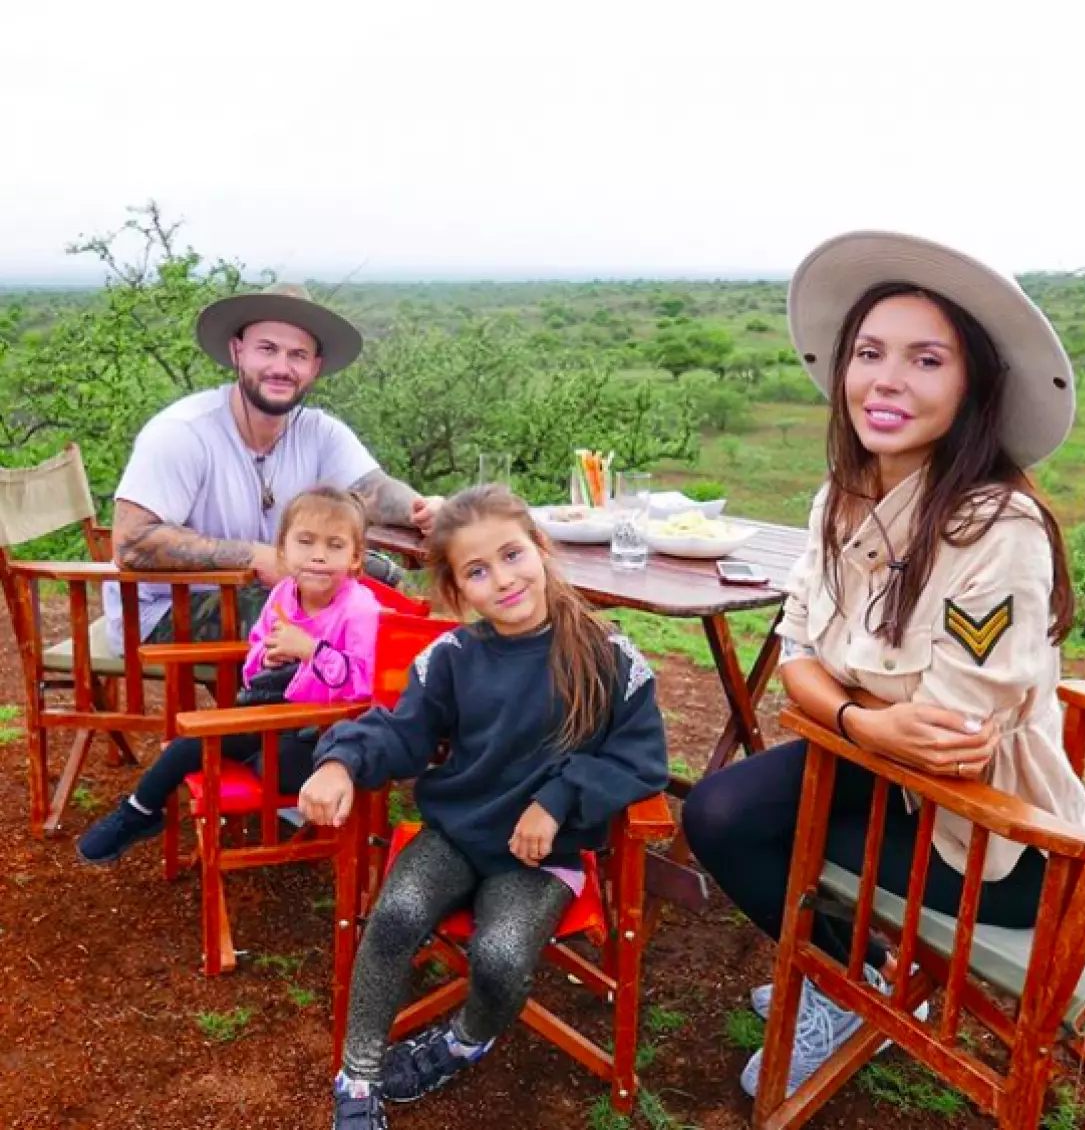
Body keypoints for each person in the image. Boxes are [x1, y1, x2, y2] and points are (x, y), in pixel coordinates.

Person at [681, 230, 1085, 1098]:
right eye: (869, 352)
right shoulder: (841, 496)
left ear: (972, 384)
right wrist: (862, 715)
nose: (886, 379)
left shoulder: (997, 530)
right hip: (874, 762)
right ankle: (849, 977)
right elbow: (796, 651)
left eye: (926, 359)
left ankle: (831, 977)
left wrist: (838, 699)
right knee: (717, 811)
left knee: (762, 828)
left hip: (987, 835)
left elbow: (951, 743)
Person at [298, 484, 669, 1130]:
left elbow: (642, 762)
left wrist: (558, 800)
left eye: (512, 555)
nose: (502, 579)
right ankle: (357, 1078)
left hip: (542, 856)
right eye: (477, 570)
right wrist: (340, 761)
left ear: (542, 548)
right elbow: (400, 731)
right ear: (457, 589)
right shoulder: (452, 658)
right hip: (456, 834)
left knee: (499, 958)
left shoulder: (609, 657)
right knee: (395, 917)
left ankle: (464, 1038)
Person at [101, 282, 441, 655]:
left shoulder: (318, 431)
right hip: (164, 608)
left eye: (297, 355)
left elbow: (373, 490)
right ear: (237, 352)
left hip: (270, 590)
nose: (281, 368)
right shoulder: (183, 432)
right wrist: (257, 556)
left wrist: (423, 510)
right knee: (310, 613)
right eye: (267, 349)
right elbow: (131, 543)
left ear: (315, 367)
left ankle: (392, 702)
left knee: (383, 583)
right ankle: (300, 711)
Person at [79, 486, 381, 864]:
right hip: (268, 712)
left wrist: (310, 651)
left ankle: (265, 768)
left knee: (275, 766)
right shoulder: (284, 593)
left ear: (355, 559)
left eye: (335, 545)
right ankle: (138, 812)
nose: (318, 555)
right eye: (306, 542)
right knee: (187, 745)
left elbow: (365, 684)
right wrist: (265, 660)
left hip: (323, 732)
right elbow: (255, 649)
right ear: (284, 552)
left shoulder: (359, 610)